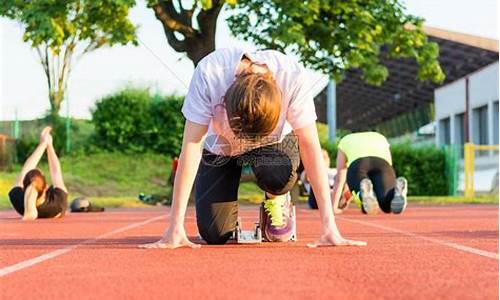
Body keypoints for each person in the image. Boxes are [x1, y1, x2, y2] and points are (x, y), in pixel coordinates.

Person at [141, 48, 365, 249]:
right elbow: (191, 146)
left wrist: (329, 225)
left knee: (279, 175)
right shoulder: (210, 73)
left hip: (272, 145)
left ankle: (276, 198)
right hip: (222, 146)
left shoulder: (291, 75)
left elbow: (310, 145)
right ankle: (224, 218)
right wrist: (175, 226)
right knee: (215, 234)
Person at [331, 131, 408, 215]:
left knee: (365, 205)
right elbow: (389, 164)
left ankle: (365, 195)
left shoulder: (345, 140)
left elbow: (340, 177)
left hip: (358, 165)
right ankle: (394, 194)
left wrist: (334, 207)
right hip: (383, 165)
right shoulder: (380, 137)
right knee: (387, 206)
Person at [8, 127, 68, 220]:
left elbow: (26, 170)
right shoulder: (58, 202)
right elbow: (55, 172)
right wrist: (49, 146)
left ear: (23, 188)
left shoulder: (17, 199)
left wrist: (43, 144)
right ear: (46, 188)